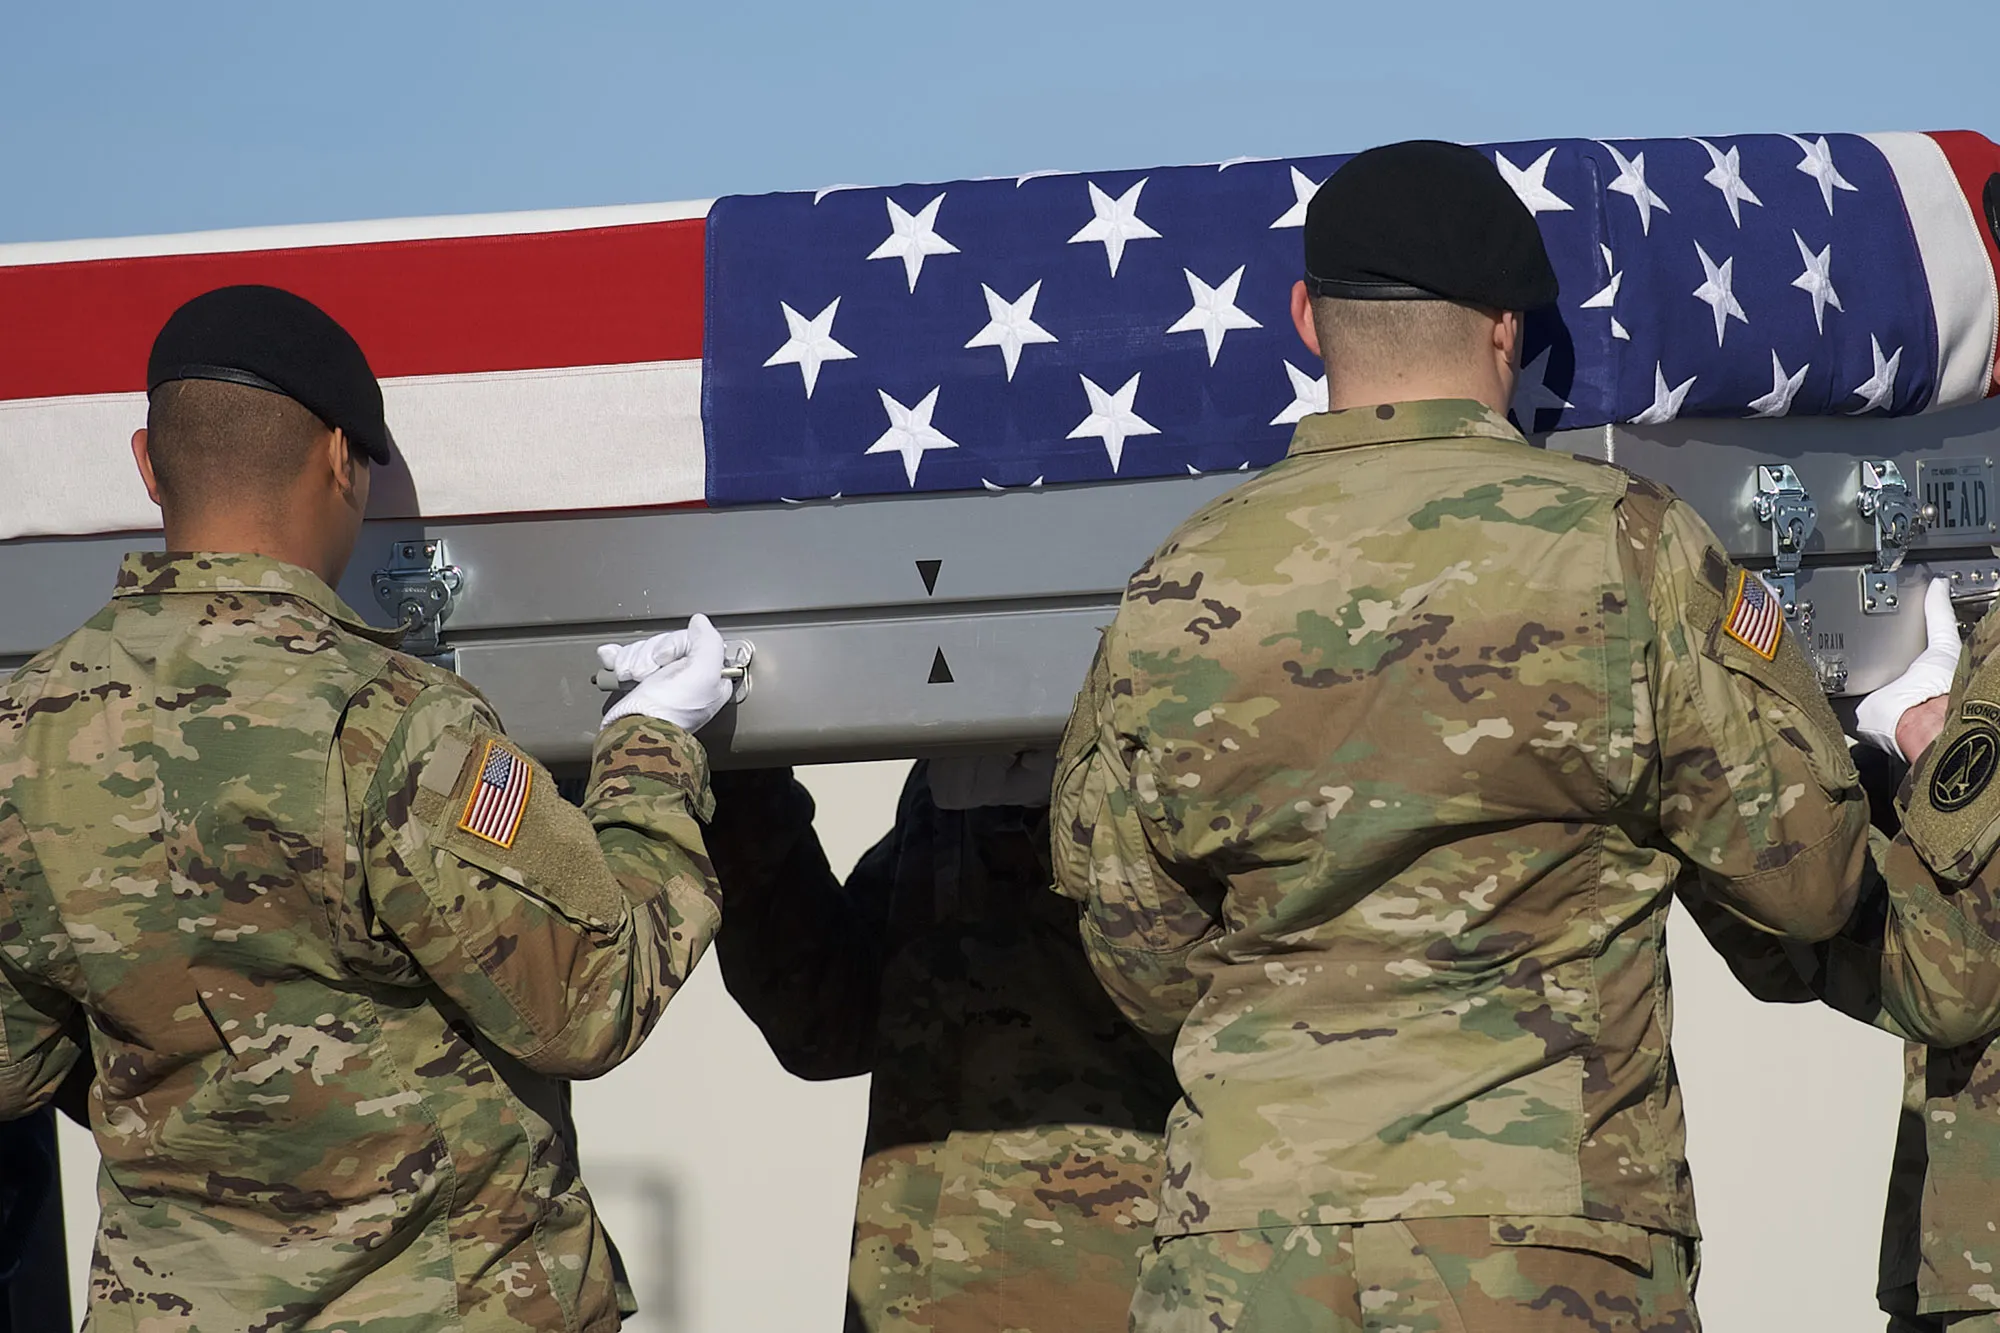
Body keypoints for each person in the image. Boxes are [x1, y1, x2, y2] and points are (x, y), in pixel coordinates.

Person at [1048, 140, 1873, 1332]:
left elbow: (1139, 958)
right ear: (1506, 330)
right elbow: (1805, 884)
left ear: (1301, 318)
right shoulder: (1625, 548)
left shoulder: (1171, 586)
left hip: (1243, 1243)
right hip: (1537, 1236)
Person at [0, 284, 734, 1332]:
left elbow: (13, 1061)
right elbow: (592, 991)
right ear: (343, 459)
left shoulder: (24, 729)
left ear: (146, 462)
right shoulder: (389, 720)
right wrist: (652, 749)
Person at [703, 752, 1180, 1332]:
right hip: (917, 1289)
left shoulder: (1179, 739)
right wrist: (736, 774)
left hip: (1126, 1282)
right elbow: (828, 1024)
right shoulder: (957, 769)